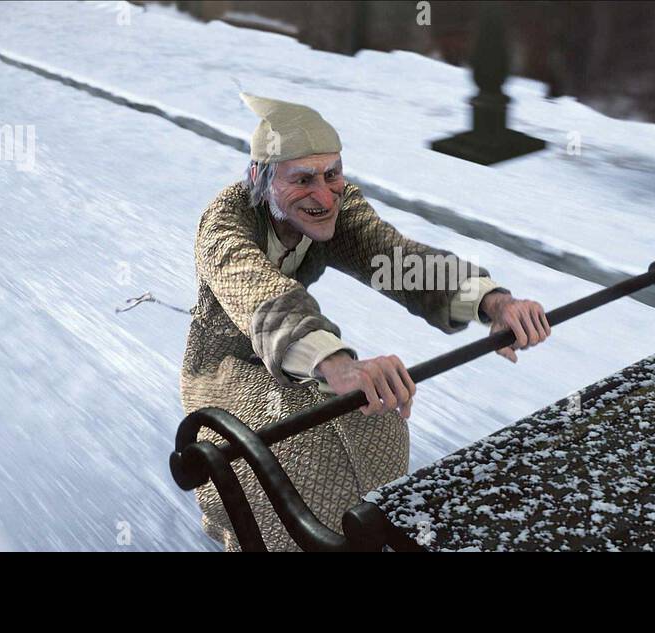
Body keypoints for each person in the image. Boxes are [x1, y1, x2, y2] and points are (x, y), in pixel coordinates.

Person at [181, 93, 551, 551]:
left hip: (306, 352)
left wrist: (493, 302)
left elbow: (395, 258)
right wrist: (338, 364)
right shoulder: (224, 225)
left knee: (376, 414)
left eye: (332, 174)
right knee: (288, 454)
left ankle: (367, 532)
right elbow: (259, 294)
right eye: (303, 180)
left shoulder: (336, 206)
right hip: (226, 366)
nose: (323, 195)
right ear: (261, 179)